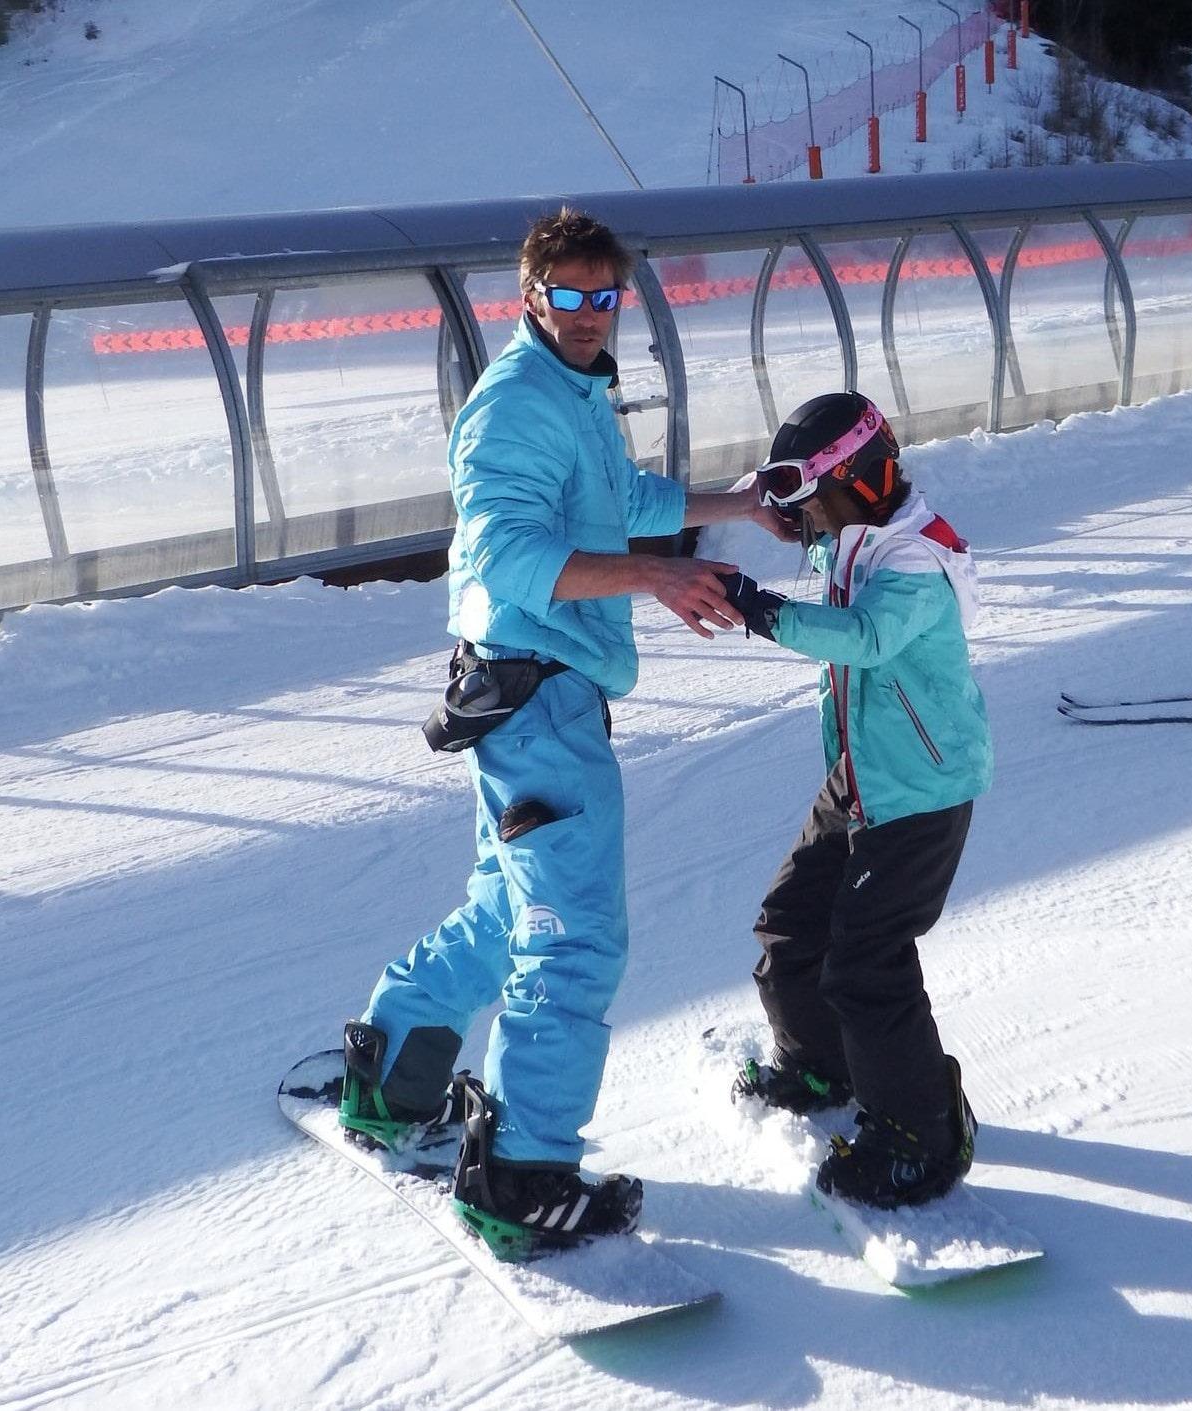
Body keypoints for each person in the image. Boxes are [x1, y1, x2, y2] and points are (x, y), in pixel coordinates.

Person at [336, 207, 789, 1257]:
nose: (590, 316)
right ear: (530, 296)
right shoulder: (514, 408)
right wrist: (656, 573)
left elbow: (613, 499)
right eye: (570, 297)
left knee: (507, 906)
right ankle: (521, 1175)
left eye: (605, 296)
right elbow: (504, 552)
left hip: (535, 690)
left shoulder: (578, 389)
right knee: (573, 935)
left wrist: (735, 506)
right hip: (539, 699)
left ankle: (391, 1071)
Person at [717, 391, 992, 1209]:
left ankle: (920, 1136)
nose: (810, 520)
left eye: (814, 501)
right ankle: (821, 1063)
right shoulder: (857, 535)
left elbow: (862, 637)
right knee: (790, 919)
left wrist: (756, 607)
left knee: (867, 963)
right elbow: (828, 555)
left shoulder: (916, 562)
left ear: (863, 480)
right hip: (863, 780)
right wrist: (791, 527)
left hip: (922, 793)